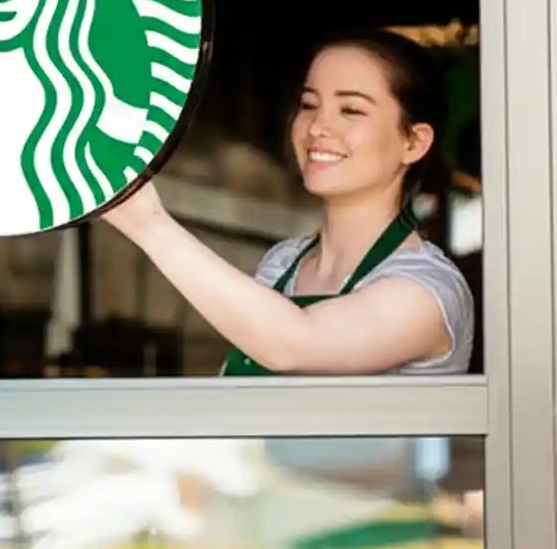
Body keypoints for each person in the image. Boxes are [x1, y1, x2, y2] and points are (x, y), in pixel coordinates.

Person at [100, 29, 475, 375]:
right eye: (309, 104)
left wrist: (147, 223)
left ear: (414, 142)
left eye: (351, 110)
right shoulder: (283, 264)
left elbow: (292, 344)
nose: (316, 127)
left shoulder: (426, 293)